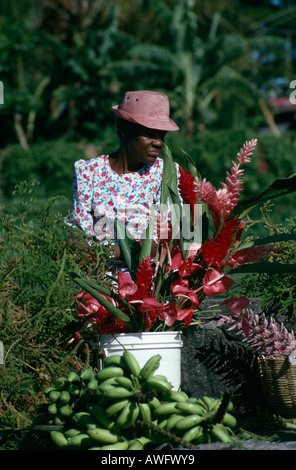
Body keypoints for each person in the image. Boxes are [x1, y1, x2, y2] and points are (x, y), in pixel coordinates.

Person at [65, 90, 180, 269]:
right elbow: (78, 231)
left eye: (162, 135)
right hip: (98, 283)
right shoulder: (89, 172)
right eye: (150, 134)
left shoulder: (168, 173)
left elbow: (172, 238)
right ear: (125, 131)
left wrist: (109, 253)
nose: (159, 143)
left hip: (149, 284)